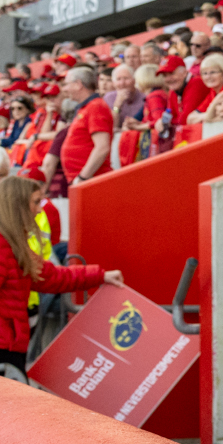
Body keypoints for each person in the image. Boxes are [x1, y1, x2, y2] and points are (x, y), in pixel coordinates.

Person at [0, 176, 123, 373]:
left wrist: (100, 275)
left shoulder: (13, 243)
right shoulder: (4, 245)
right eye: (35, 202)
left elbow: (51, 277)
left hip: (10, 343)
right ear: (18, 205)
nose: (40, 209)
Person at [59, 68, 112, 186]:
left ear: (78, 84)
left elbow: (102, 147)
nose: (64, 89)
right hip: (86, 181)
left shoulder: (96, 106)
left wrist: (83, 177)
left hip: (92, 182)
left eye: (66, 84)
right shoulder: (87, 107)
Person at [183, 55, 223, 127]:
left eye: (213, 72)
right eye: (204, 73)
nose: (208, 77)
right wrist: (209, 116)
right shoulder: (213, 92)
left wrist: (206, 117)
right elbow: (190, 119)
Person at [103, 64, 144, 130]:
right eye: (118, 79)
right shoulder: (108, 98)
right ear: (114, 83)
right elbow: (112, 126)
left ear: (134, 80)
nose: (122, 83)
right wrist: (117, 106)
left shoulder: (144, 97)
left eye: (126, 78)